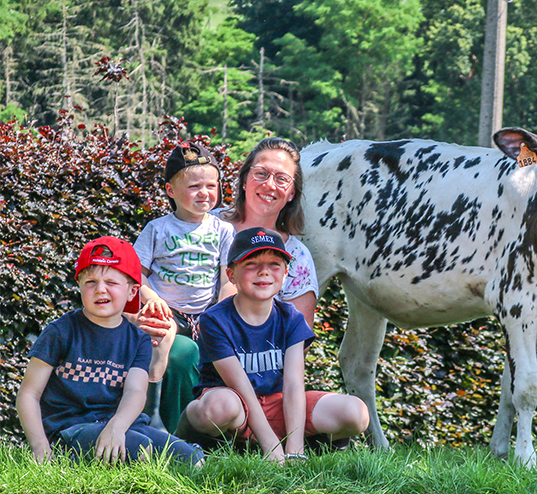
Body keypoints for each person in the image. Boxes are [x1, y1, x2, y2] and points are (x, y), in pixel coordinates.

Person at [173, 228, 368, 462]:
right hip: (236, 406)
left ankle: (305, 446)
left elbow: (294, 385)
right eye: (251, 263)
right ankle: (211, 443)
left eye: (274, 264)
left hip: (278, 404)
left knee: (355, 412)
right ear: (231, 274)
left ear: (285, 273)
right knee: (220, 407)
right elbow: (241, 386)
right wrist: (270, 444)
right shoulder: (215, 320)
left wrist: (295, 450)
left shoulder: (291, 318)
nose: (264, 271)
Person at [16, 236, 203, 465]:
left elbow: (135, 391)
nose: (100, 290)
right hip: (69, 429)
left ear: (133, 292)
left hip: (121, 424)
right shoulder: (60, 331)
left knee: (192, 458)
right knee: (140, 448)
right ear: (79, 285)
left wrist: (116, 426)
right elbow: (29, 394)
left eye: (111, 282)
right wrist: (40, 447)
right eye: (90, 282)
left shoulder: (138, 339)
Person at [132, 141, 235, 433]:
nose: (204, 193)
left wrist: (219, 315)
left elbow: (228, 279)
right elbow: (135, 275)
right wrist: (151, 298)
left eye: (211, 185)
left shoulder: (223, 230)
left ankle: (213, 429)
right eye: (194, 187)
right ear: (170, 190)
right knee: (170, 348)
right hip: (167, 310)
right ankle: (152, 417)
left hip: (206, 313)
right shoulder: (157, 228)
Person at [217, 137, 319, 326]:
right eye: (261, 173)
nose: (270, 185)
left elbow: (300, 335)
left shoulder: (297, 256)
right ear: (245, 180)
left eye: (282, 179)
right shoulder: (205, 225)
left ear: (292, 193)